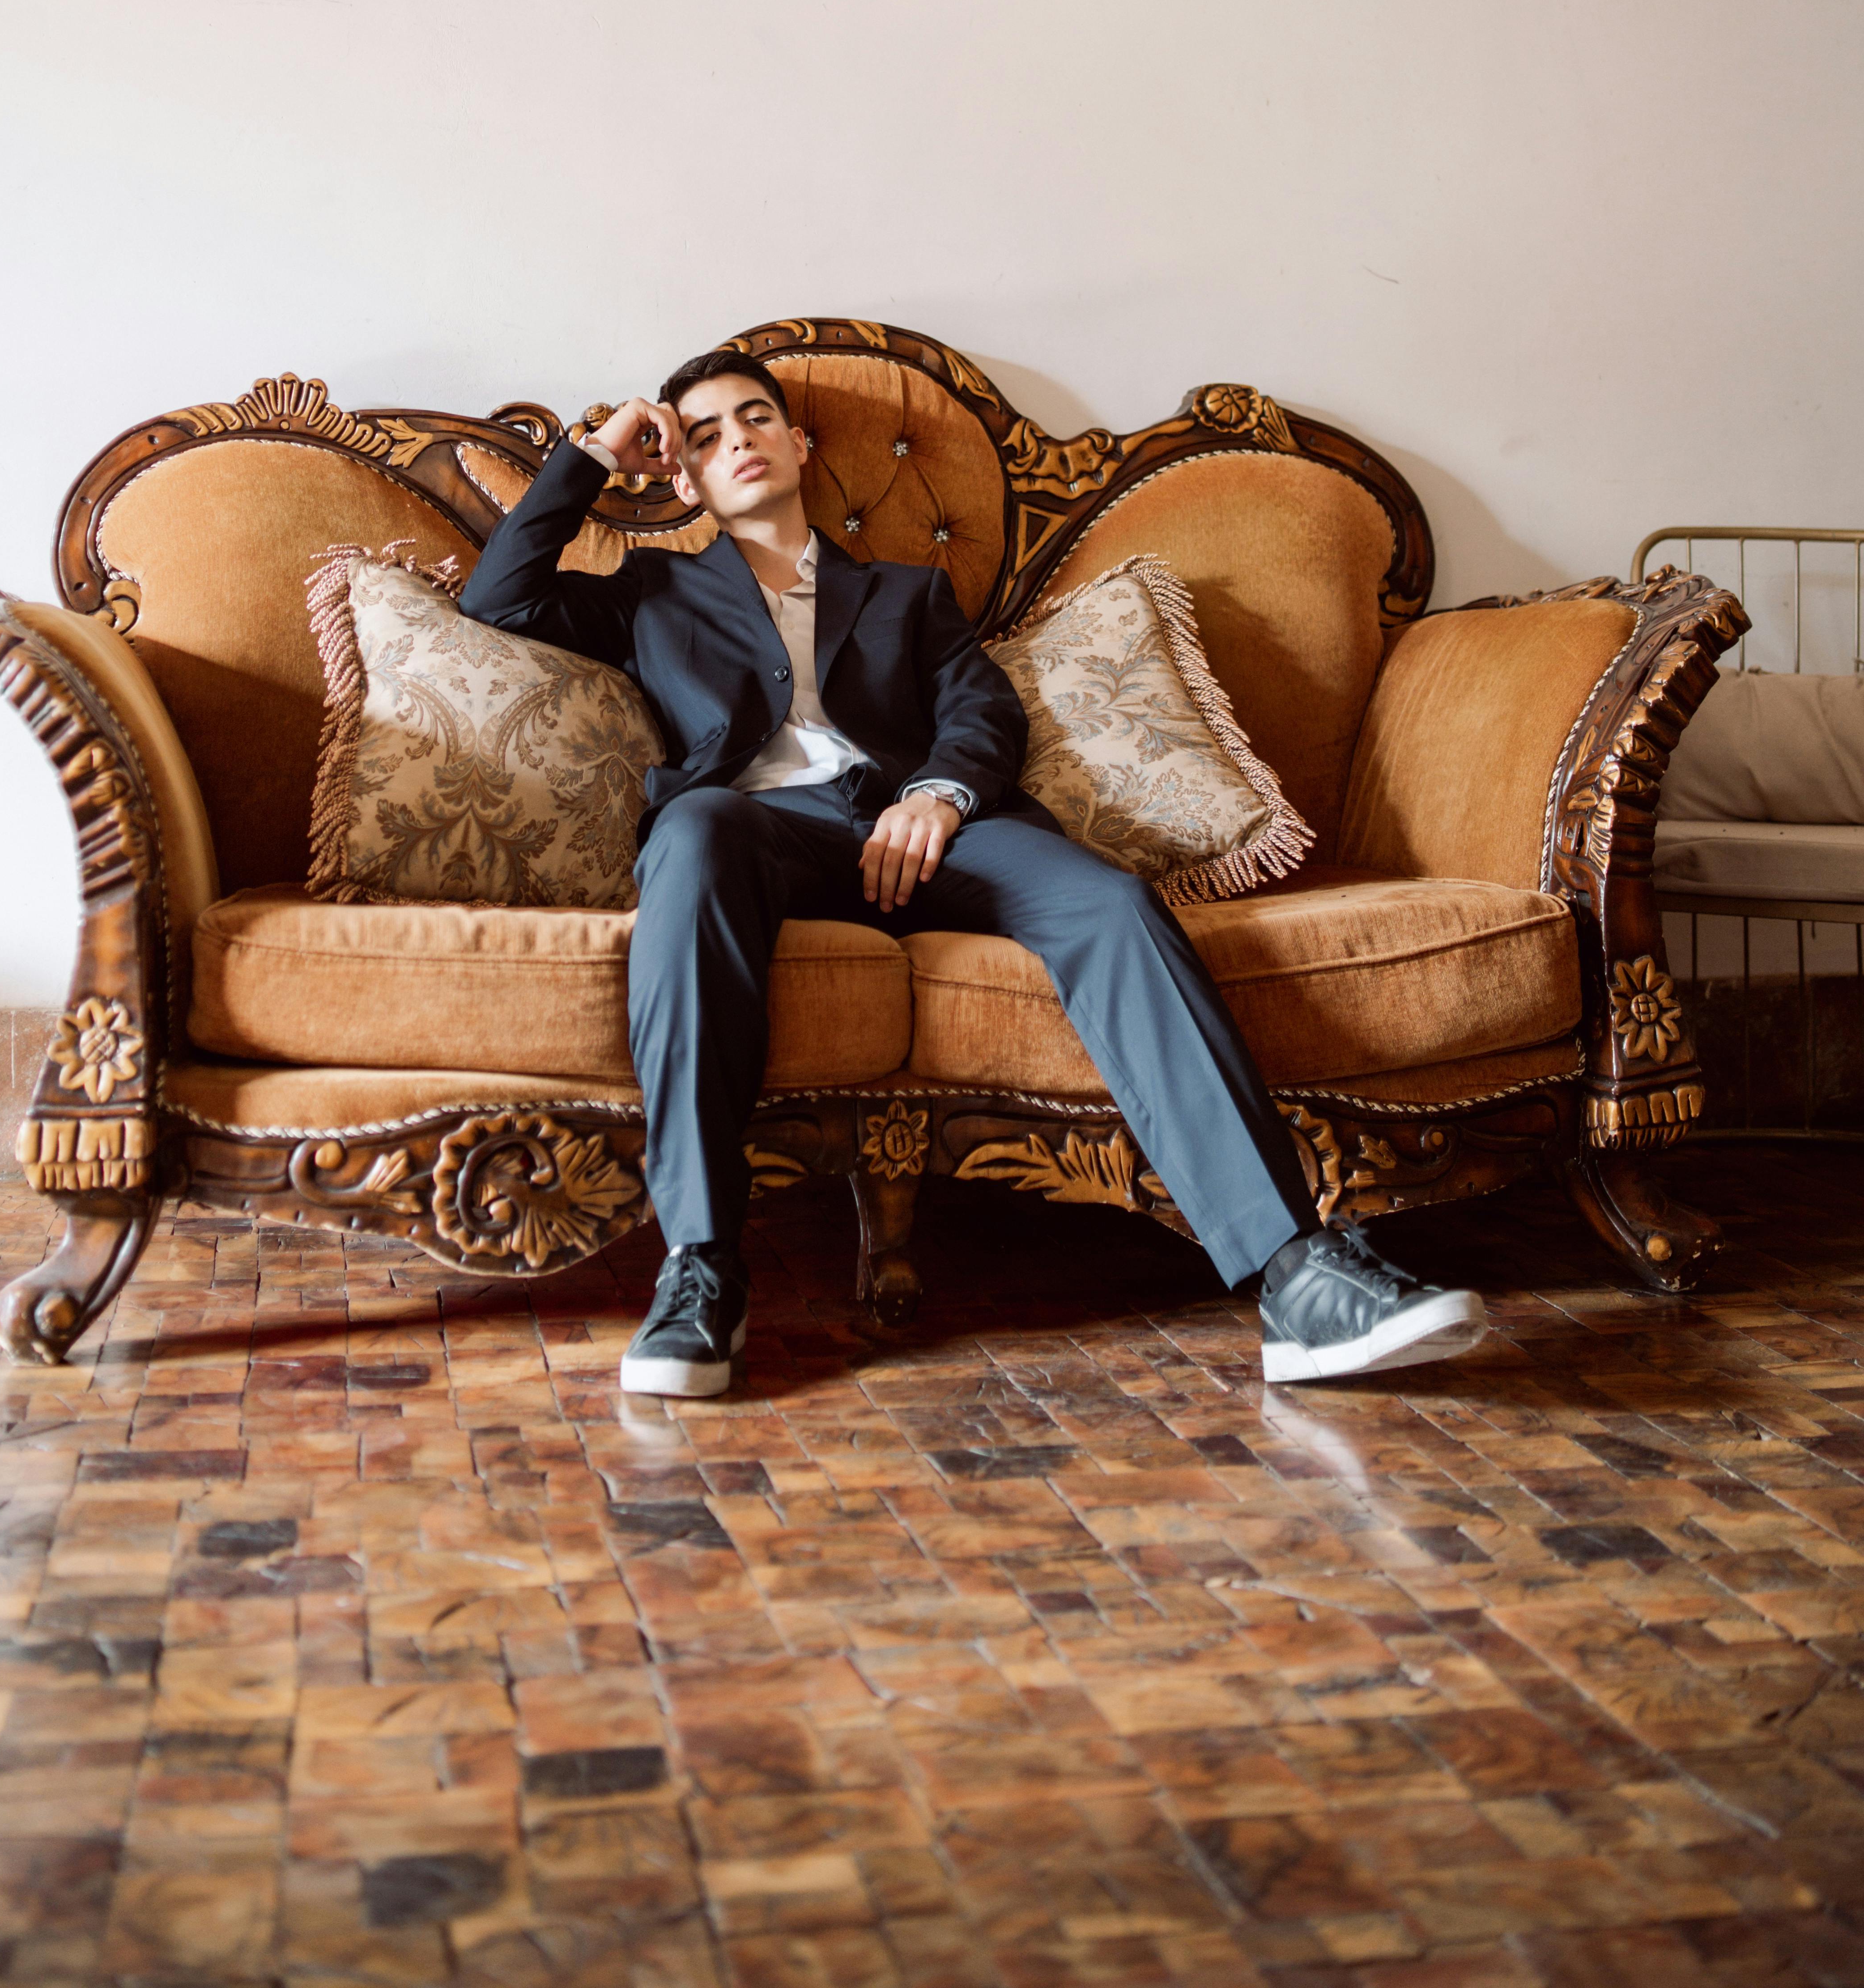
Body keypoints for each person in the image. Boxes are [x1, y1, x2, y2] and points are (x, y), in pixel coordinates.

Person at [460, 349, 1486, 1396]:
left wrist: (937, 794)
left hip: (927, 828)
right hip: (755, 833)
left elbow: (980, 711)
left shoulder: (905, 593)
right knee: (690, 834)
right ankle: (699, 1269)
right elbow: (496, 601)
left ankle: (1295, 1276)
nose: (738, 442)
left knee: (1108, 903)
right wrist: (591, 458)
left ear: (799, 444)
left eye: (756, 418)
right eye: (707, 435)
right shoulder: (651, 590)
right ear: (683, 478)